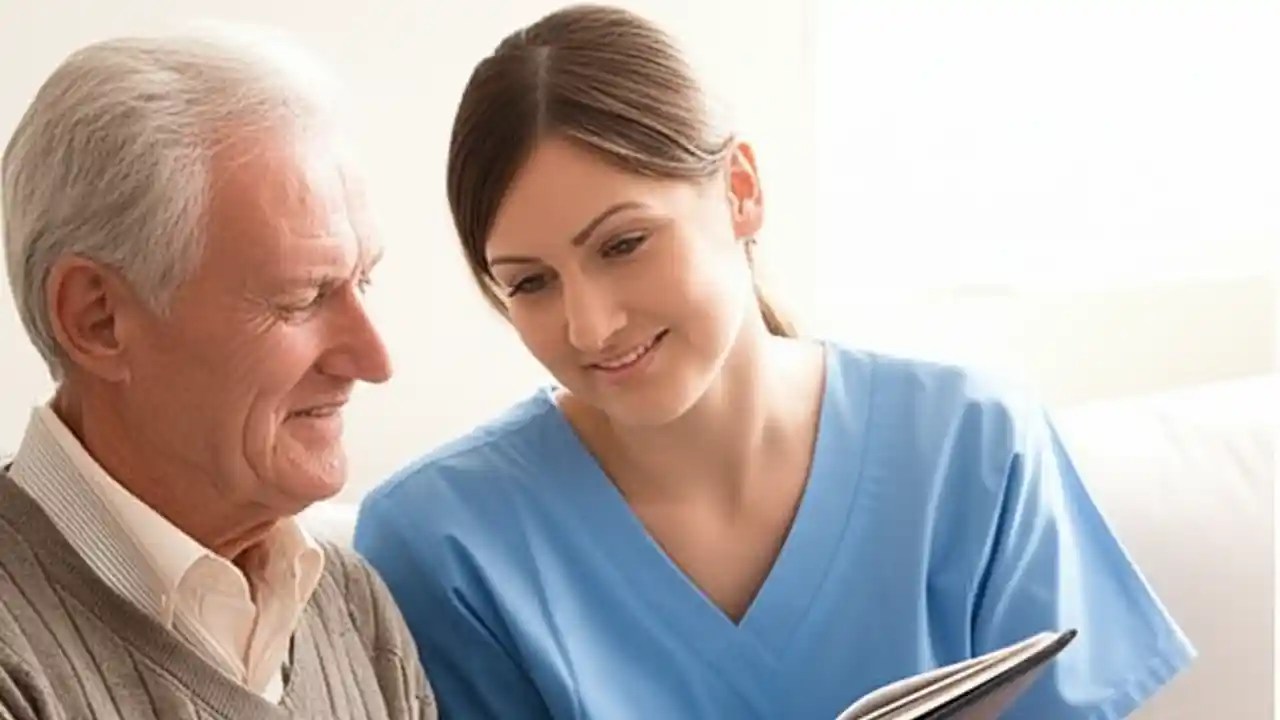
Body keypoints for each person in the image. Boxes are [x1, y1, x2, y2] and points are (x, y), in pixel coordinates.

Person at [353, 4, 1194, 719]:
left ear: (741, 190)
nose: (590, 325)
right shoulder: (443, 542)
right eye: (531, 283)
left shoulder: (972, 447)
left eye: (624, 244)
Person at [0, 27, 435, 719]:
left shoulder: (353, 608)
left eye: (363, 281)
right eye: (302, 298)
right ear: (98, 318)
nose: (372, 359)